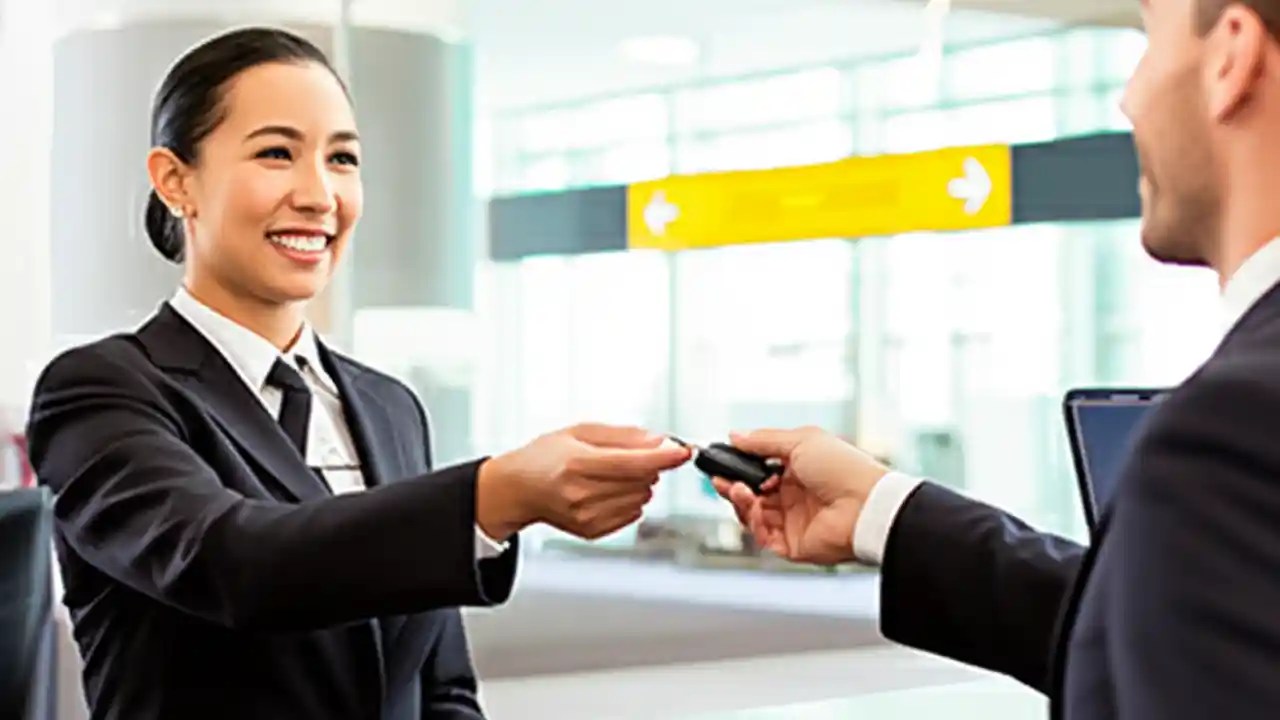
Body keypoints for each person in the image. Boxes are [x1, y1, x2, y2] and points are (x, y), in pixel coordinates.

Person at [24, 27, 690, 720]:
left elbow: (443, 688)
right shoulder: (102, 391)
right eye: (277, 153)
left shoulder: (388, 406)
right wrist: (493, 497)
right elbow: (236, 566)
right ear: (176, 180)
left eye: (342, 159)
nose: (319, 194)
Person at [716, 1, 1280, 717]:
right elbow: (1184, 635)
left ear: (1231, 57)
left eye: (1147, 42)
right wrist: (886, 512)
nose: (1127, 96)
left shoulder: (1232, 430)